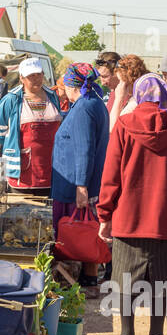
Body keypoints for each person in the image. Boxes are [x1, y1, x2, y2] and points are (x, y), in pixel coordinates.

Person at [97, 74, 167, 335]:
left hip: (128, 218)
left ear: (139, 96)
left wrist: (104, 214)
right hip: (166, 219)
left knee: (125, 279)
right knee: (162, 281)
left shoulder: (124, 126)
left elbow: (111, 174)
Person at [51, 65, 110, 287]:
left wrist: (81, 186)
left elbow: (85, 148)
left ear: (69, 85)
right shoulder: (92, 100)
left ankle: (77, 279)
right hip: (77, 180)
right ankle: (87, 277)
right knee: (85, 230)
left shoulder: (85, 107)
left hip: (75, 183)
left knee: (79, 231)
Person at [0, 57, 62, 191]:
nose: (36, 79)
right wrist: (13, 143)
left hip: (51, 167)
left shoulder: (52, 96)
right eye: (31, 76)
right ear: (22, 78)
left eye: (38, 74)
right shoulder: (11, 99)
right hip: (22, 170)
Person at [107, 54, 148, 131]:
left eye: (121, 81)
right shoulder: (143, 96)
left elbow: (112, 128)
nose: (119, 85)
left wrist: (119, 98)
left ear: (129, 81)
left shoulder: (135, 104)